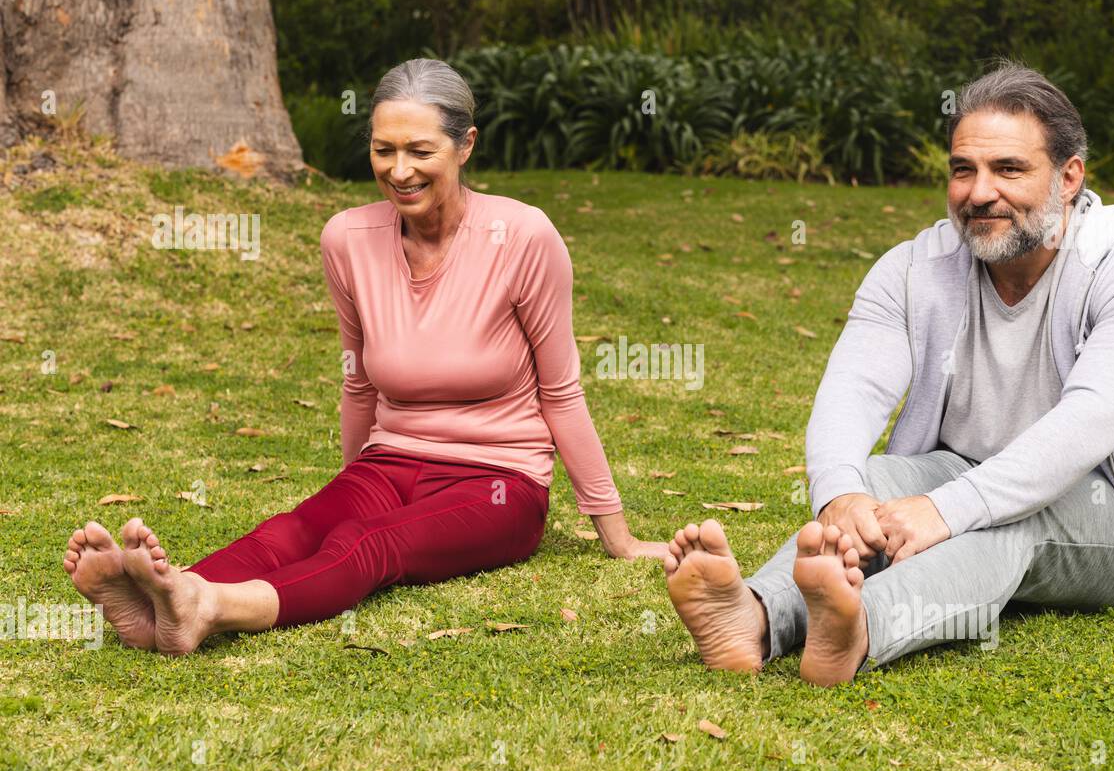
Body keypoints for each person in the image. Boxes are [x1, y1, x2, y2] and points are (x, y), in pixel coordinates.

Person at [62, 58, 667, 655]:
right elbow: (359, 385)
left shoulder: (525, 237)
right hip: (390, 460)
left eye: (420, 151)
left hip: (498, 482)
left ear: (466, 145)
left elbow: (560, 392)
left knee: (368, 542)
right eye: (384, 150)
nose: (400, 171)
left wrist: (618, 537)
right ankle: (159, 600)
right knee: (299, 527)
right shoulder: (348, 239)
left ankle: (210, 608)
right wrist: (350, 484)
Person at [663, 60, 1114, 685]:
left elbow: (1086, 424)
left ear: (1069, 177)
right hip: (962, 474)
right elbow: (854, 388)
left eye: (1008, 169)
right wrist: (842, 495)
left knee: (1010, 523)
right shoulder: (913, 267)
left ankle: (858, 630)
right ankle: (754, 619)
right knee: (869, 481)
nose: (979, 192)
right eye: (963, 169)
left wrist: (948, 509)